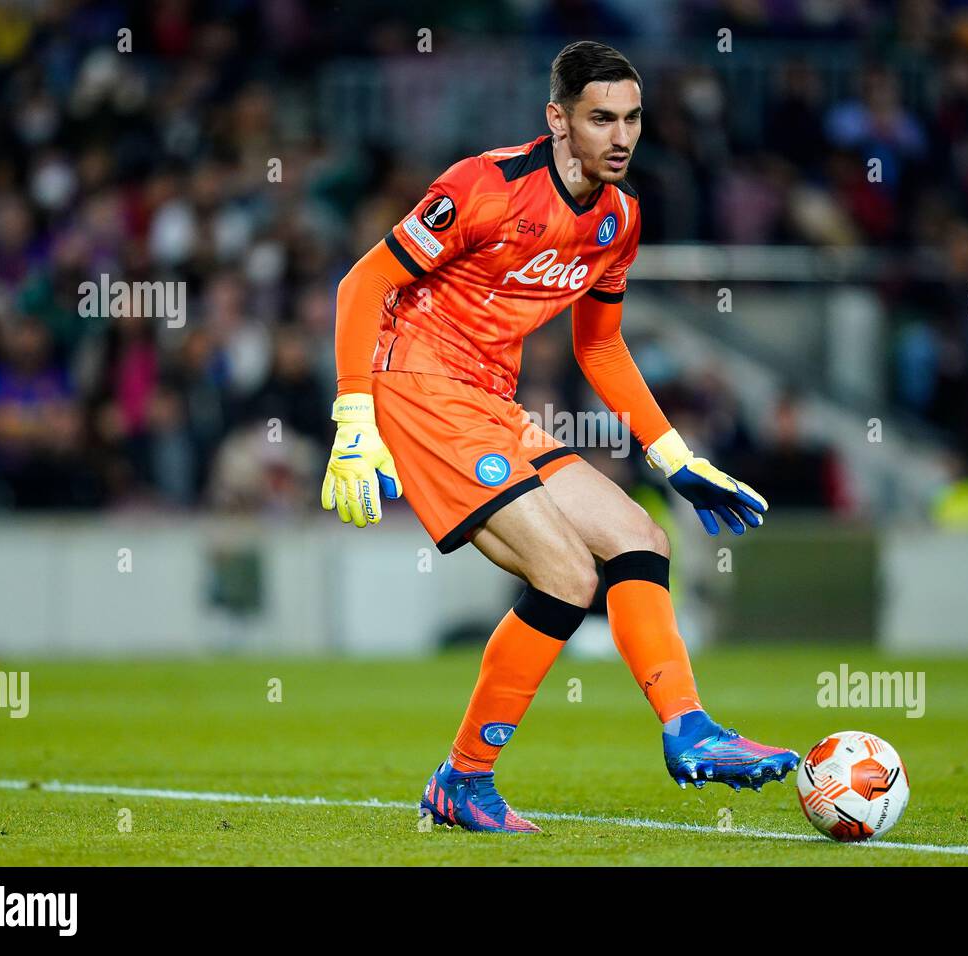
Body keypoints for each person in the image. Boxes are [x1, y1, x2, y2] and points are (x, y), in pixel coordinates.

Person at [323, 41, 798, 833]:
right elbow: (364, 281)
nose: (620, 137)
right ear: (557, 119)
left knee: (640, 536)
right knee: (568, 574)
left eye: (633, 119)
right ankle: (466, 778)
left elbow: (599, 346)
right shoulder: (484, 185)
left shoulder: (617, 219)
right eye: (600, 118)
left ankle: (688, 729)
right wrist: (352, 417)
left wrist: (674, 453)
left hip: (492, 401)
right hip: (418, 389)